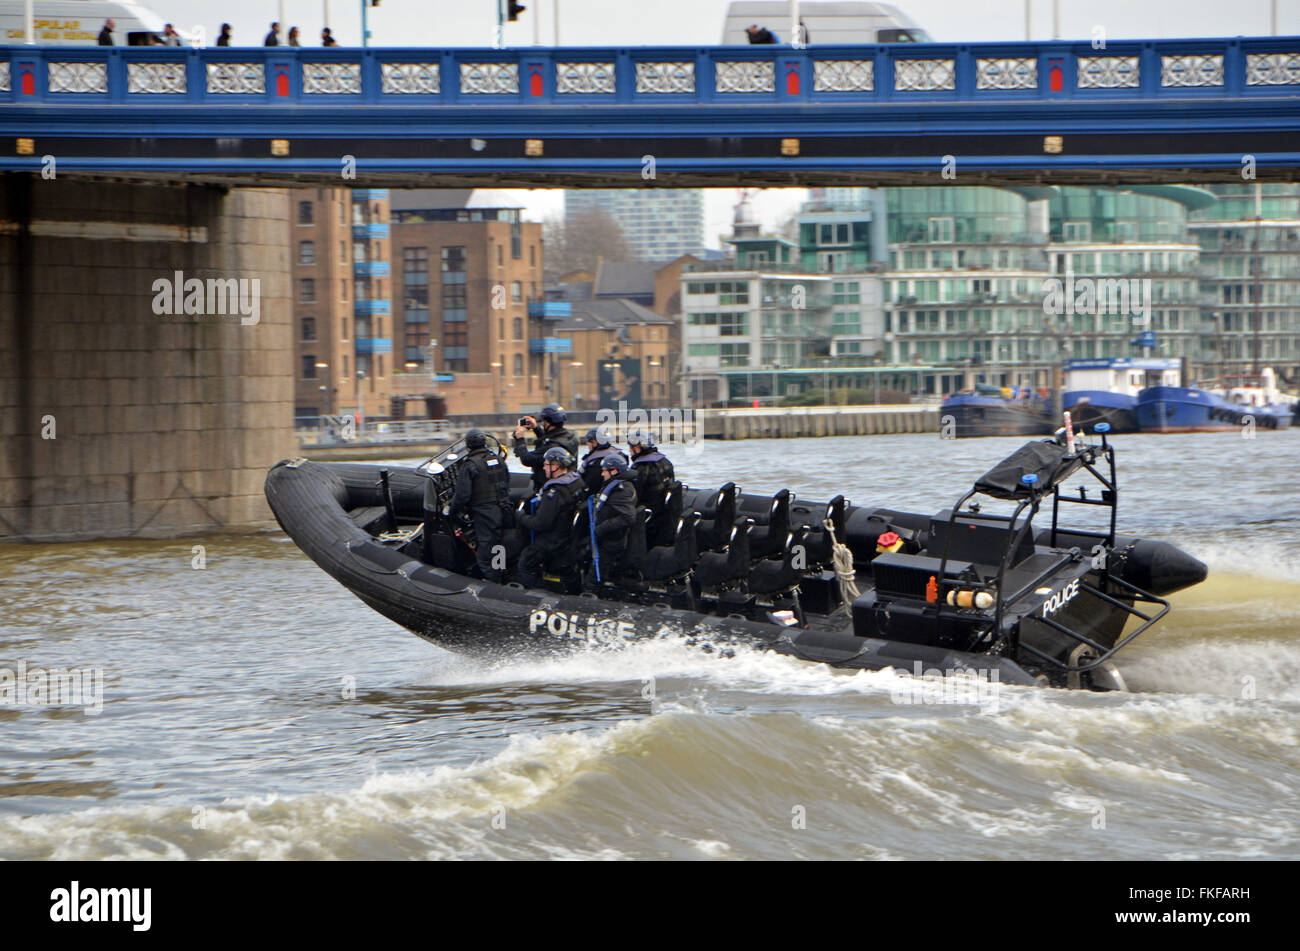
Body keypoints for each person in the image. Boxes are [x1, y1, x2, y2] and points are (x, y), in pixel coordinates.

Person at [447, 429, 512, 583]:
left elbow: (463, 495)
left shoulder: (470, 465)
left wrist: (452, 509)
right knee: (498, 546)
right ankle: (501, 575)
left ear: (468, 445)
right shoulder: (498, 460)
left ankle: (494, 585)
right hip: (504, 509)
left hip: (485, 513)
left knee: (485, 555)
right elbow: (506, 482)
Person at [516, 447, 584, 589]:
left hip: (553, 541)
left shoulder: (554, 492)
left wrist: (521, 517)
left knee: (525, 563)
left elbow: (540, 523)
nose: (544, 467)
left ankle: (536, 595)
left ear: (556, 466)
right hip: (569, 538)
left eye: (546, 464)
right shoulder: (576, 482)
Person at [583, 454, 638, 587]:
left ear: (614, 471)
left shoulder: (621, 491)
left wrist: (601, 528)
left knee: (594, 579)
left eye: (604, 471)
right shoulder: (615, 486)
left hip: (612, 542)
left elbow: (628, 517)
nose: (602, 474)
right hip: (606, 539)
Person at [513, 404, 579, 491]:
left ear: (548, 423)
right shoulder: (570, 437)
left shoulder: (552, 448)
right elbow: (549, 439)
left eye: (543, 421)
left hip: (552, 488)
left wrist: (520, 439)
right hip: (567, 485)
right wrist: (536, 428)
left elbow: (527, 459)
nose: (542, 423)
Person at [627, 429, 675, 545]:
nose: (630, 452)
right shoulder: (665, 461)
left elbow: (633, 497)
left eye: (631, 448)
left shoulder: (640, 469)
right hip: (666, 517)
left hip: (649, 520)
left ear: (638, 448)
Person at [578, 426, 626, 495]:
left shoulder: (595, 462)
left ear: (594, 443)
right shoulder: (619, 454)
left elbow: (591, 485)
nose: (587, 443)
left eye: (588, 441)